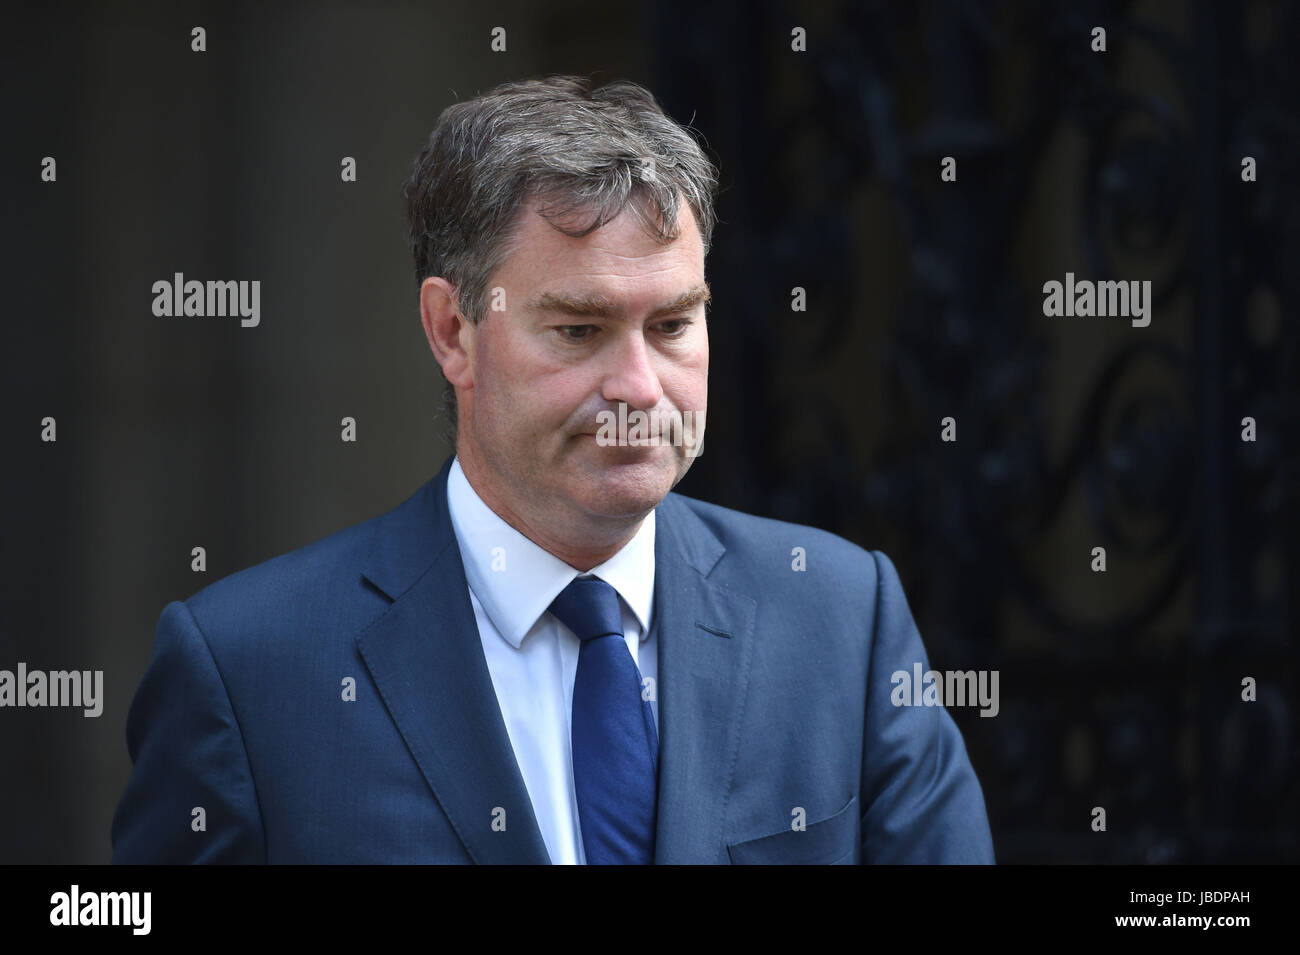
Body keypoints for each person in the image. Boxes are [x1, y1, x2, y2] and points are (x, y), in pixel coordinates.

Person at [111, 74, 995, 864]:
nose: (640, 385)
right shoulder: (250, 672)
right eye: (579, 329)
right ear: (452, 332)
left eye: (672, 324)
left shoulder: (841, 619)